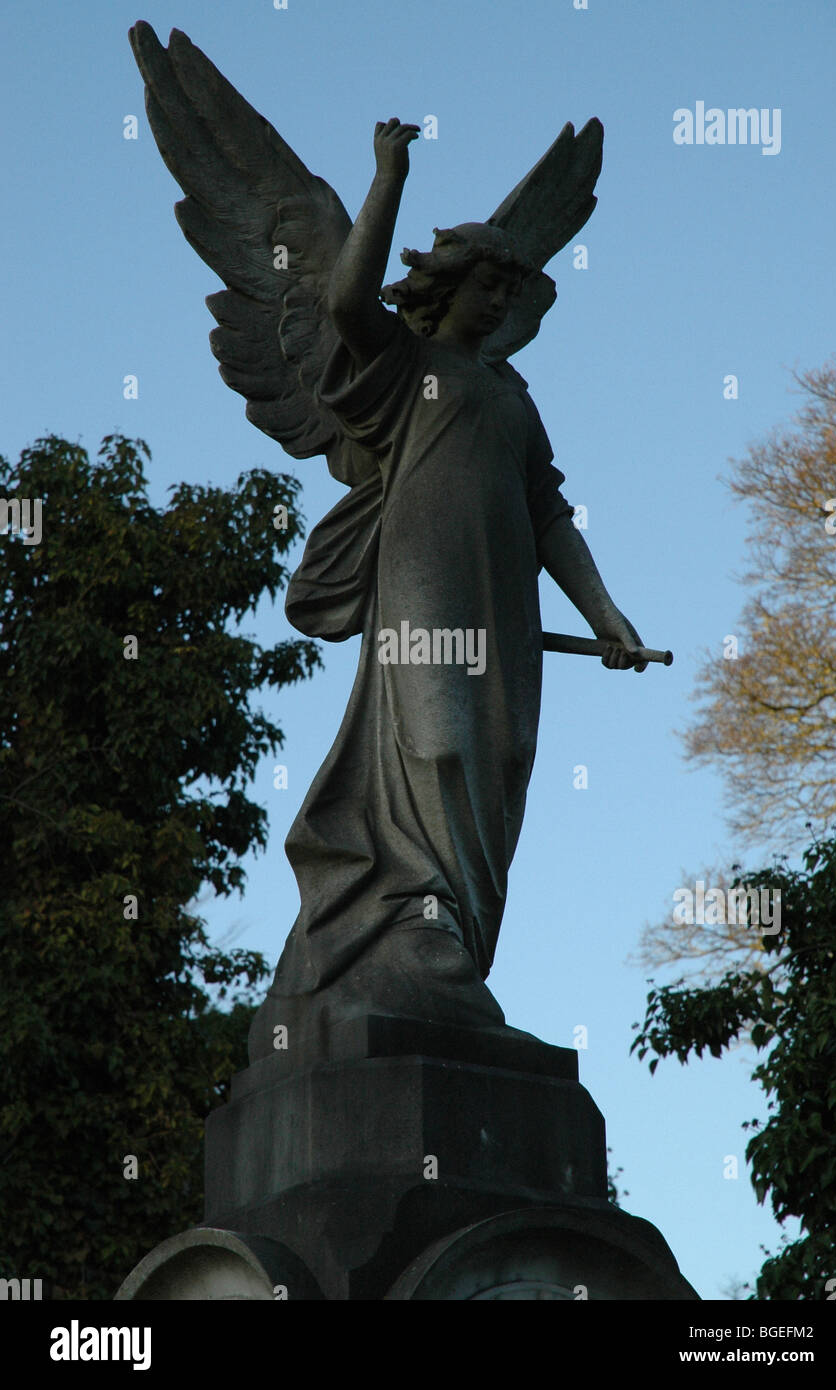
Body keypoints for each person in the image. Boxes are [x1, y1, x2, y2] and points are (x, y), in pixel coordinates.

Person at [248, 119, 645, 1059]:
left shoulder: (511, 396)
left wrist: (607, 613)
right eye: (490, 281)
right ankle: (408, 928)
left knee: (497, 759)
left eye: (514, 284)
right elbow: (347, 302)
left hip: (506, 607)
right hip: (424, 586)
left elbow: (549, 513)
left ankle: (449, 944)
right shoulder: (407, 365)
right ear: (449, 287)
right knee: (438, 741)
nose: (503, 297)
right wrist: (387, 176)